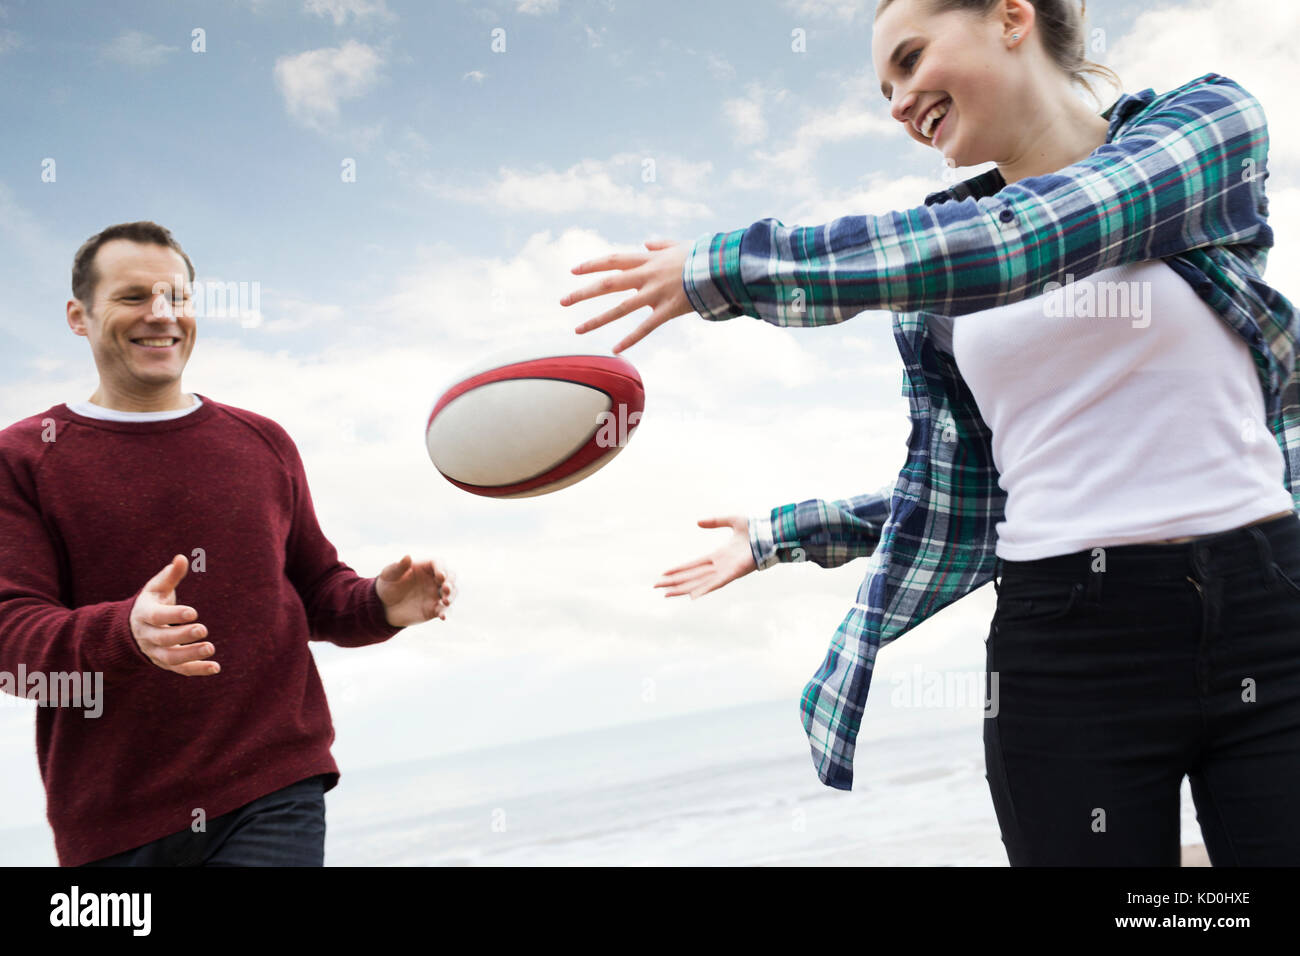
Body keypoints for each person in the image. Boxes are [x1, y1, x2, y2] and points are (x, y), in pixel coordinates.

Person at [559, 0, 1300, 866]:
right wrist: (777, 535)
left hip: (1268, 613)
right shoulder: (938, 288)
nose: (899, 102)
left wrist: (725, 265)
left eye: (910, 61)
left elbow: (1023, 241)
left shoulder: (1202, 132)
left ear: (1012, 17)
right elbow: (970, 493)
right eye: (885, 87)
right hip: (1068, 647)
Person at [0, 220, 458, 867]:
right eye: (133, 297)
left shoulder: (262, 442)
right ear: (79, 316)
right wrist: (125, 633)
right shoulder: (22, 458)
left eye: (177, 297)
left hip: (272, 785)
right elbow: (9, 636)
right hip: (112, 821)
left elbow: (317, 591)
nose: (161, 315)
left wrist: (381, 604)